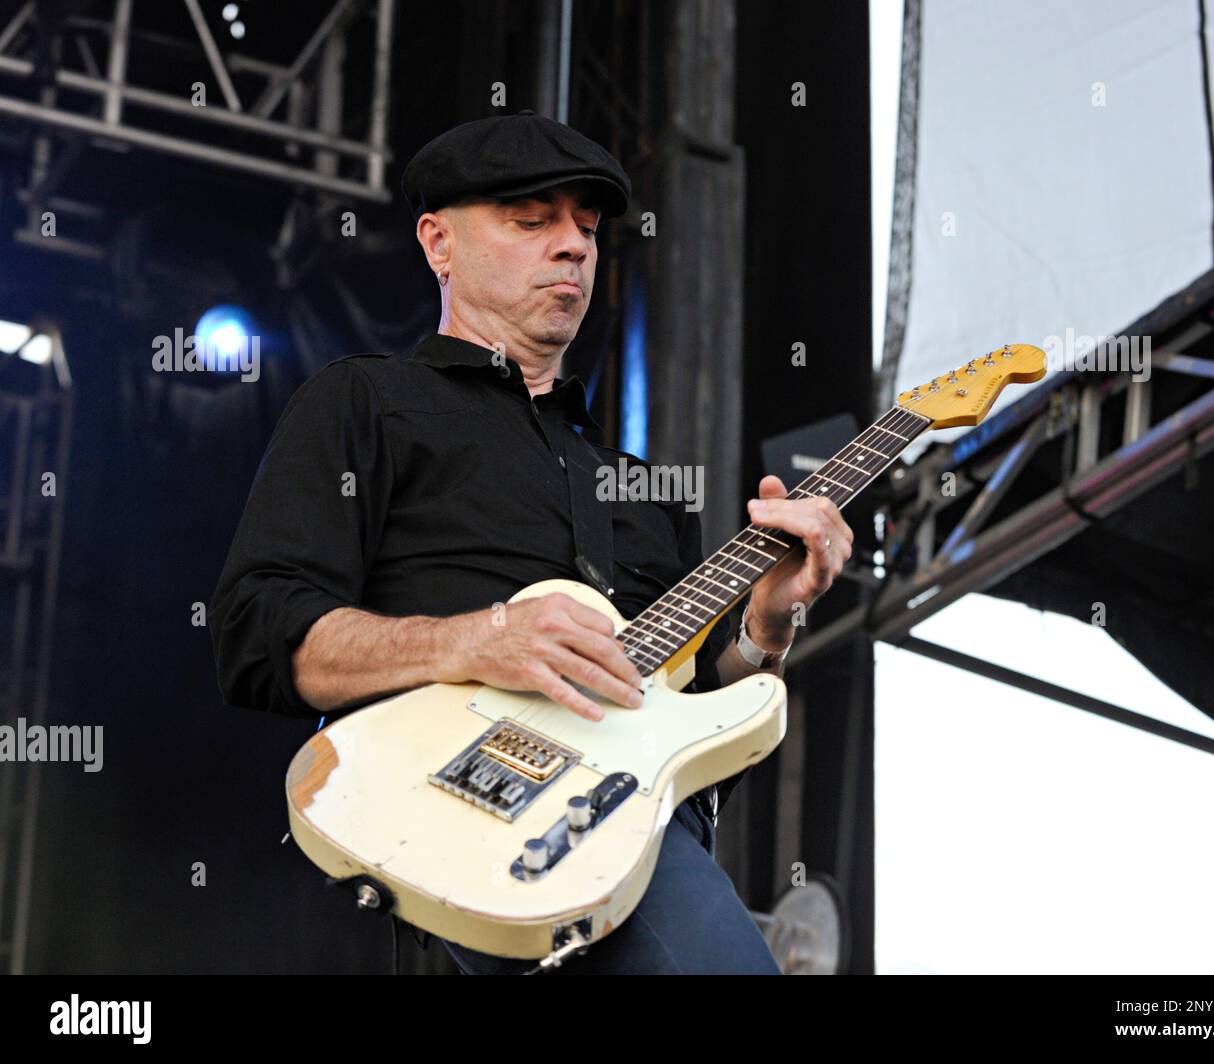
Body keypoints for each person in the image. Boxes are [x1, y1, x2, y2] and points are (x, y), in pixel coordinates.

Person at [209, 110, 853, 974]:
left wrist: (766, 629)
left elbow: (693, 760)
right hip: (459, 824)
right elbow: (257, 631)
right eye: (532, 220)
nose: (575, 247)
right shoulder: (365, 403)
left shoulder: (647, 494)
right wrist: (480, 639)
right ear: (438, 243)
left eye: (586, 228)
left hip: (631, 850)